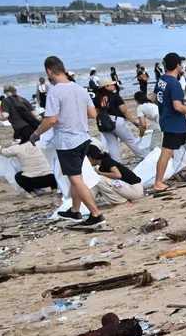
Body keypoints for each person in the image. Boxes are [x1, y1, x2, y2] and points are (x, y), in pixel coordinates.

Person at [29, 56, 106, 227]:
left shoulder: (55, 91)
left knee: (76, 179)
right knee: (76, 177)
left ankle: (96, 214)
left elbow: (51, 120)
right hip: (84, 138)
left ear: (49, 71)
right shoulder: (79, 88)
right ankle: (75, 211)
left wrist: (36, 134)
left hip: (67, 142)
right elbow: (93, 114)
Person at [153, 52, 186, 192]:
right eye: (180, 64)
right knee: (167, 153)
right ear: (177, 65)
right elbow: (178, 106)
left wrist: (165, 107)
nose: (182, 66)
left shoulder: (162, 80)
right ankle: (158, 183)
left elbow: (154, 99)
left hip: (172, 122)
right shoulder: (174, 83)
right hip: (173, 124)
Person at [92, 78, 140, 161]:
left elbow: (96, 112)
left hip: (104, 122)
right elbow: (124, 111)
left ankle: (117, 162)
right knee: (130, 141)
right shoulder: (115, 96)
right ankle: (144, 155)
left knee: (111, 144)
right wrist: (134, 122)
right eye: (111, 85)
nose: (113, 86)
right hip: (117, 120)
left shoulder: (96, 98)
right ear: (106, 86)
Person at [134, 90, 161, 156]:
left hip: (158, 120)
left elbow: (143, 125)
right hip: (164, 117)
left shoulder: (140, 107)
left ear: (136, 101)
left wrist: (140, 137)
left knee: (155, 147)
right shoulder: (151, 103)